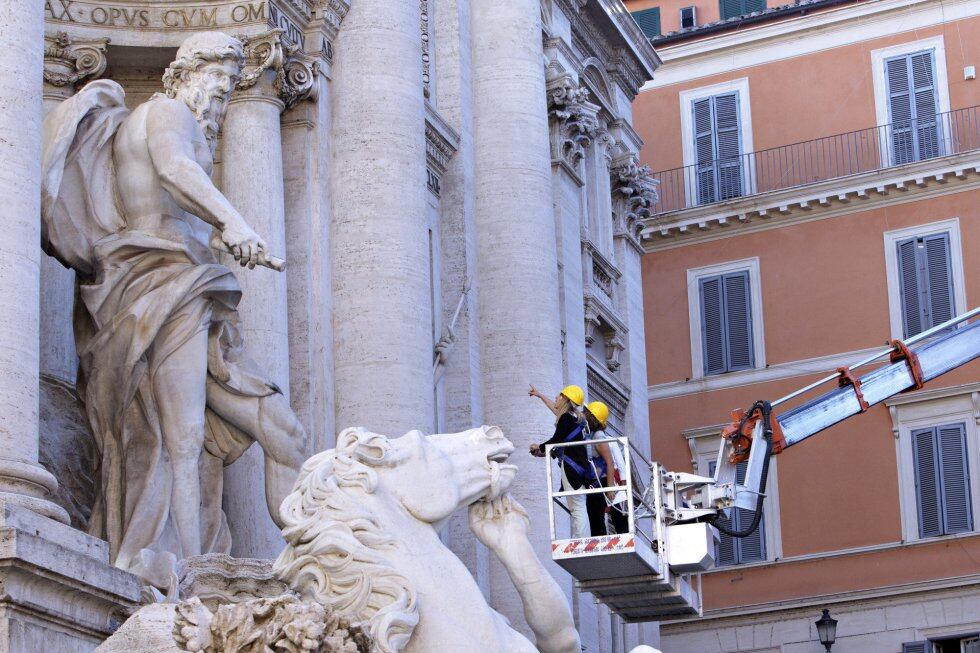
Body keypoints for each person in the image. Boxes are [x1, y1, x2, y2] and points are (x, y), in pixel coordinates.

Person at [40, 32, 307, 583]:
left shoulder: (173, 117)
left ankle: (307, 565)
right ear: (186, 73)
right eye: (217, 80)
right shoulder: (165, 111)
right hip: (157, 279)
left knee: (281, 429)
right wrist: (232, 222)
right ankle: (193, 571)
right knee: (179, 435)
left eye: (233, 83)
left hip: (187, 281)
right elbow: (173, 168)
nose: (222, 94)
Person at [528, 385, 590, 539]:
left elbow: (557, 439)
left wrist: (539, 447)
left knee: (576, 507)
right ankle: (580, 538)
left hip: (571, 468)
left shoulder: (567, 418)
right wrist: (540, 395)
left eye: (559, 395)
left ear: (566, 400)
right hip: (579, 467)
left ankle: (579, 541)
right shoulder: (574, 418)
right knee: (579, 504)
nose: (556, 397)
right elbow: (556, 412)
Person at [583, 401, 630, 536]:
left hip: (611, 480)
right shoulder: (590, 436)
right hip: (600, 479)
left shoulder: (604, 438)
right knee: (599, 512)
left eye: (587, 413)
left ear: (592, 417)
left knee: (618, 515)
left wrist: (621, 487)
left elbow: (619, 464)